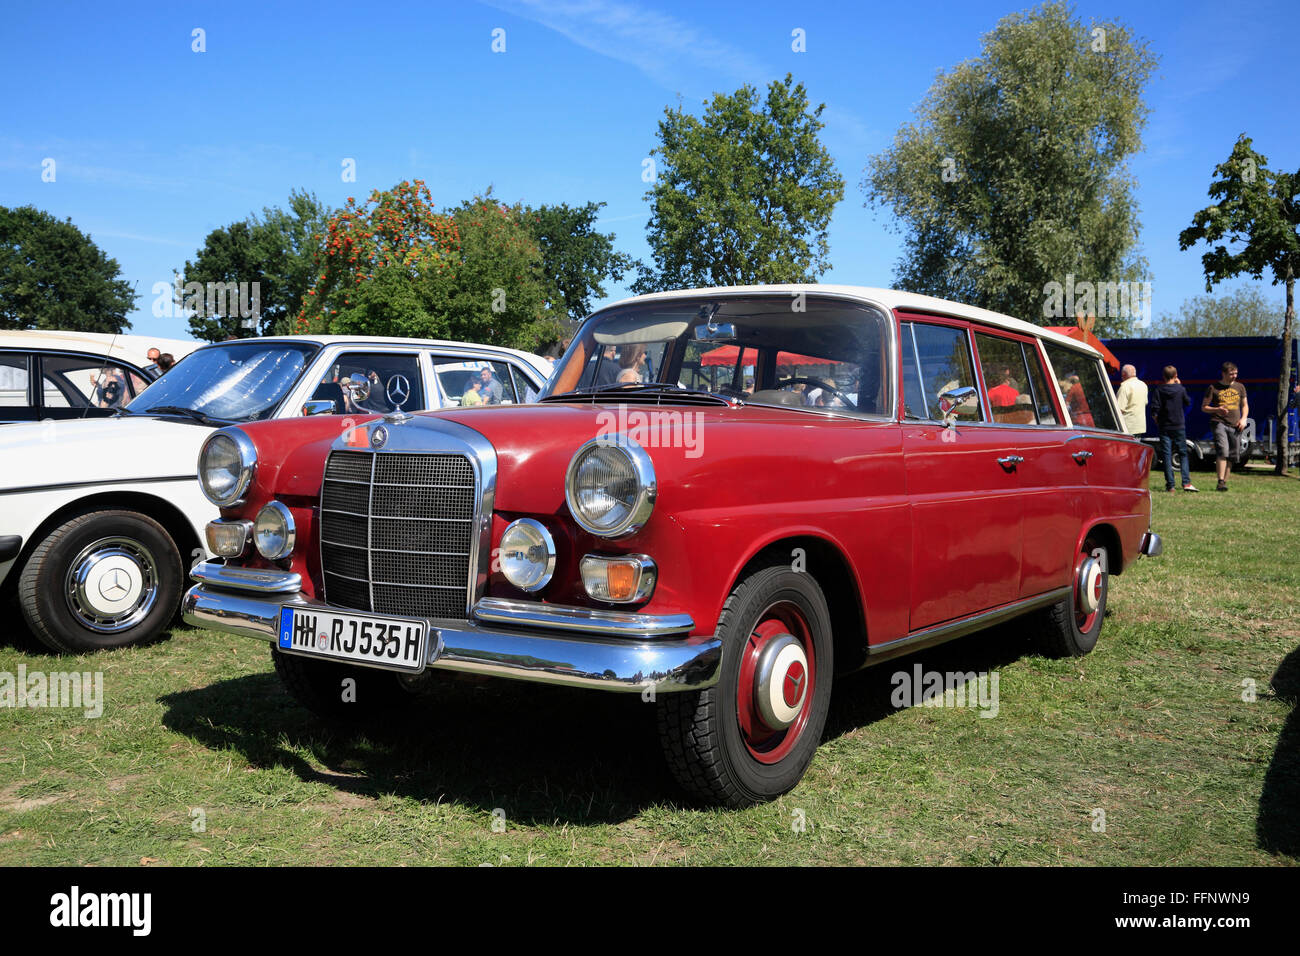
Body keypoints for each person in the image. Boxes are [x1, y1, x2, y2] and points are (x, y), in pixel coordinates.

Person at [1203, 361, 1248, 491]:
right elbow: (1204, 407)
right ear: (1223, 374)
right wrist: (1217, 409)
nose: (1234, 376)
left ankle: (1224, 482)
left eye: (1236, 374)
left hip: (1236, 424)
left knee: (1233, 455)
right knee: (1223, 450)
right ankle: (1220, 481)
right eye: (1231, 374)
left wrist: (1244, 418)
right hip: (1219, 422)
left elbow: (1245, 405)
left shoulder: (1240, 387)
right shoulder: (1213, 387)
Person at [1149, 365, 1196, 492]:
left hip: (1164, 426)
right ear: (1175, 376)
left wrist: (1156, 419)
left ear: (1163, 376)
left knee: (1166, 454)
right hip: (1179, 425)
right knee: (1182, 453)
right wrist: (1180, 385)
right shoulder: (1180, 389)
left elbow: (1154, 409)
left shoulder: (1159, 390)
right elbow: (1188, 402)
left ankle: (1170, 485)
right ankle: (1186, 483)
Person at [1115, 364, 1148, 436]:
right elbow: (1145, 403)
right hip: (1140, 427)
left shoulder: (1125, 387)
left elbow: (1118, 409)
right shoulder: (1143, 385)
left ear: (1123, 374)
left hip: (1127, 428)